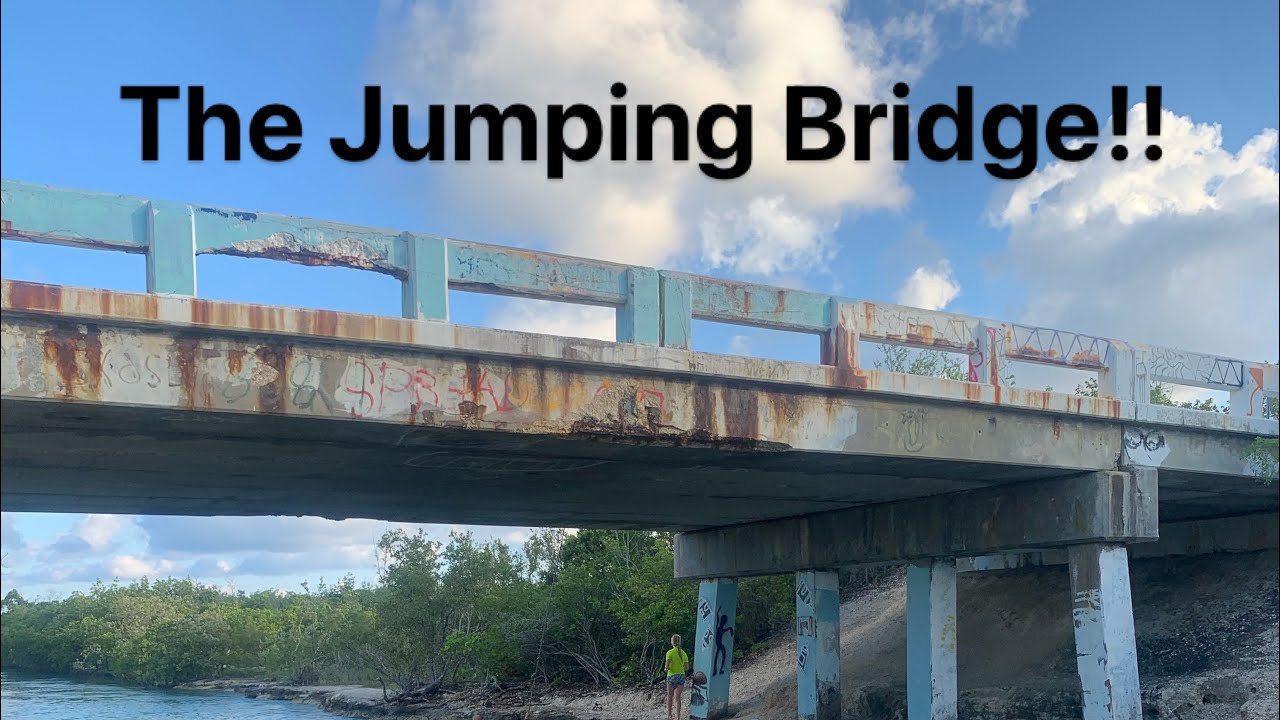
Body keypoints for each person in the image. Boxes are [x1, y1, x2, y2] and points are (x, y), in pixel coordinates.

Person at [663, 634, 691, 720]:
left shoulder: (669, 652)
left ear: (672, 642)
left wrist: (665, 669)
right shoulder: (684, 653)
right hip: (681, 676)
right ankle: (678, 717)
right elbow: (687, 668)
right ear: (680, 642)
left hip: (672, 676)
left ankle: (669, 715)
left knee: (670, 696)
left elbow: (666, 668)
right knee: (677, 697)